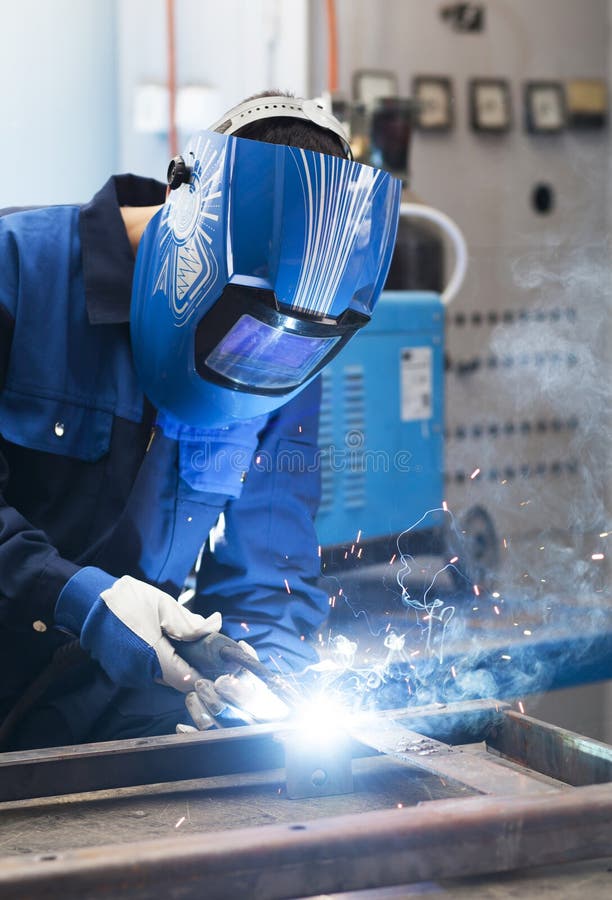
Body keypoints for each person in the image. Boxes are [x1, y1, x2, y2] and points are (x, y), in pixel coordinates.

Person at [0, 92, 401, 749]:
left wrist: (263, 679)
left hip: (115, 726)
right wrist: (74, 596)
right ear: (181, 219)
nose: (262, 361)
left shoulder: (291, 341)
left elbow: (268, 570)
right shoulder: (15, 272)